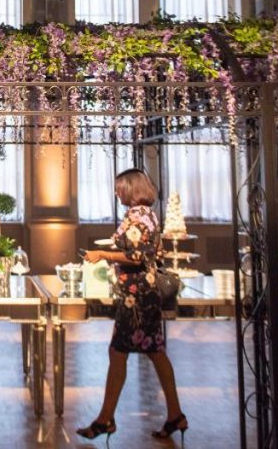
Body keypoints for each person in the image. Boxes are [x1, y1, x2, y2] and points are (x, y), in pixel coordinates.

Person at [78, 169, 187, 445]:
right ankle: (174, 415)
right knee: (153, 353)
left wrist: (102, 254)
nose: (117, 193)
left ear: (130, 188)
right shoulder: (146, 213)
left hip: (137, 298)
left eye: (119, 188)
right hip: (141, 296)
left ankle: (106, 419)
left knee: (119, 352)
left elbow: (137, 255)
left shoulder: (138, 215)